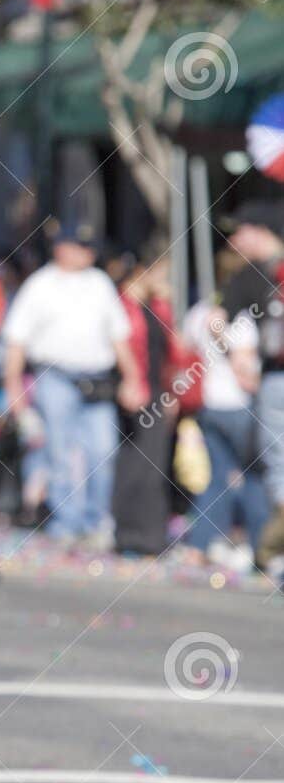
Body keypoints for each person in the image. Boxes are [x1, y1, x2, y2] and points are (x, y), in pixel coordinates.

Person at [3, 221, 142, 548]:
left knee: (103, 451)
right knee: (60, 452)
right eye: (80, 247)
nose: (87, 254)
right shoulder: (40, 285)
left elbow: (119, 337)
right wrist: (13, 387)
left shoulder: (99, 283)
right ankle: (66, 523)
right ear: (61, 248)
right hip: (56, 378)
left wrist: (132, 378)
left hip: (97, 381)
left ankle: (96, 522)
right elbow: (16, 341)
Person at [183, 285, 266, 571]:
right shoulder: (241, 318)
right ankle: (261, 549)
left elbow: (185, 348)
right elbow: (244, 368)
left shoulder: (197, 313)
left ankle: (198, 547)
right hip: (237, 405)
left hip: (208, 405)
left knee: (217, 479)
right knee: (255, 476)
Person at [220, 202, 284, 565]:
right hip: (272, 378)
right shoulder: (255, 272)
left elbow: (217, 320)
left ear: (260, 230)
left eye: (239, 231)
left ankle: (274, 548)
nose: (233, 241)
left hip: (275, 378)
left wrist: (235, 355)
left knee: (278, 463)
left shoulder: (252, 274)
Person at [112, 255, 182, 556]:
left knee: (155, 466)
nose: (165, 282)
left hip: (156, 391)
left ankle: (152, 535)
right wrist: (130, 382)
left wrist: (172, 392)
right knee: (133, 464)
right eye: (161, 274)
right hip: (131, 391)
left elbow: (172, 352)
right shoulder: (120, 307)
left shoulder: (158, 308)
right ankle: (129, 533)